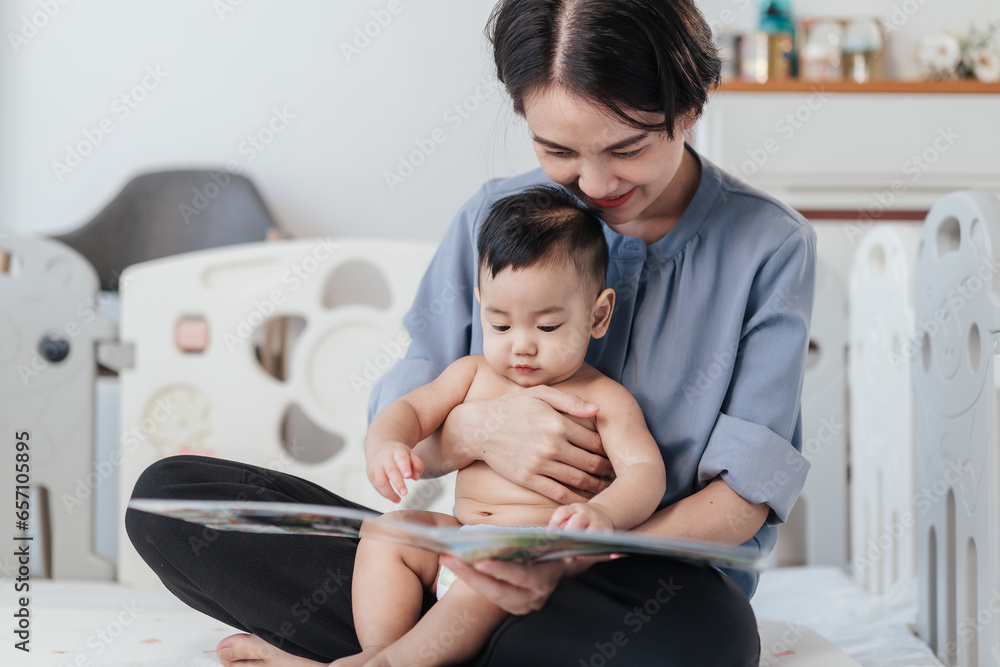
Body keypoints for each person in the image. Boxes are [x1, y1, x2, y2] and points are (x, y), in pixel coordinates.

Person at [125, 0, 816, 665]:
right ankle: (414, 648)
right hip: (457, 559)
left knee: (711, 634)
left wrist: (559, 554)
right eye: (558, 149)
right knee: (173, 499)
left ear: (689, 107)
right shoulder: (497, 219)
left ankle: (399, 656)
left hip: (629, 585)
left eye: (627, 147)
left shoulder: (768, 246)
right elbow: (413, 434)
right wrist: (476, 434)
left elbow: (741, 504)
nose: (596, 182)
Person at [337, 186, 667, 667]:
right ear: (480, 307)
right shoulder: (470, 374)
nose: (522, 346)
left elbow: (645, 471)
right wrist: (386, 444)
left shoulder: (602, 398)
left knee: (499, 571)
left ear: (598, 315)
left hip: (532, 569)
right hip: (458, 540)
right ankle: (378, 651)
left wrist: (605, 515)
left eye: (547, 327)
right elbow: (409, 410)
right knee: (389, 532)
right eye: (500, 325)